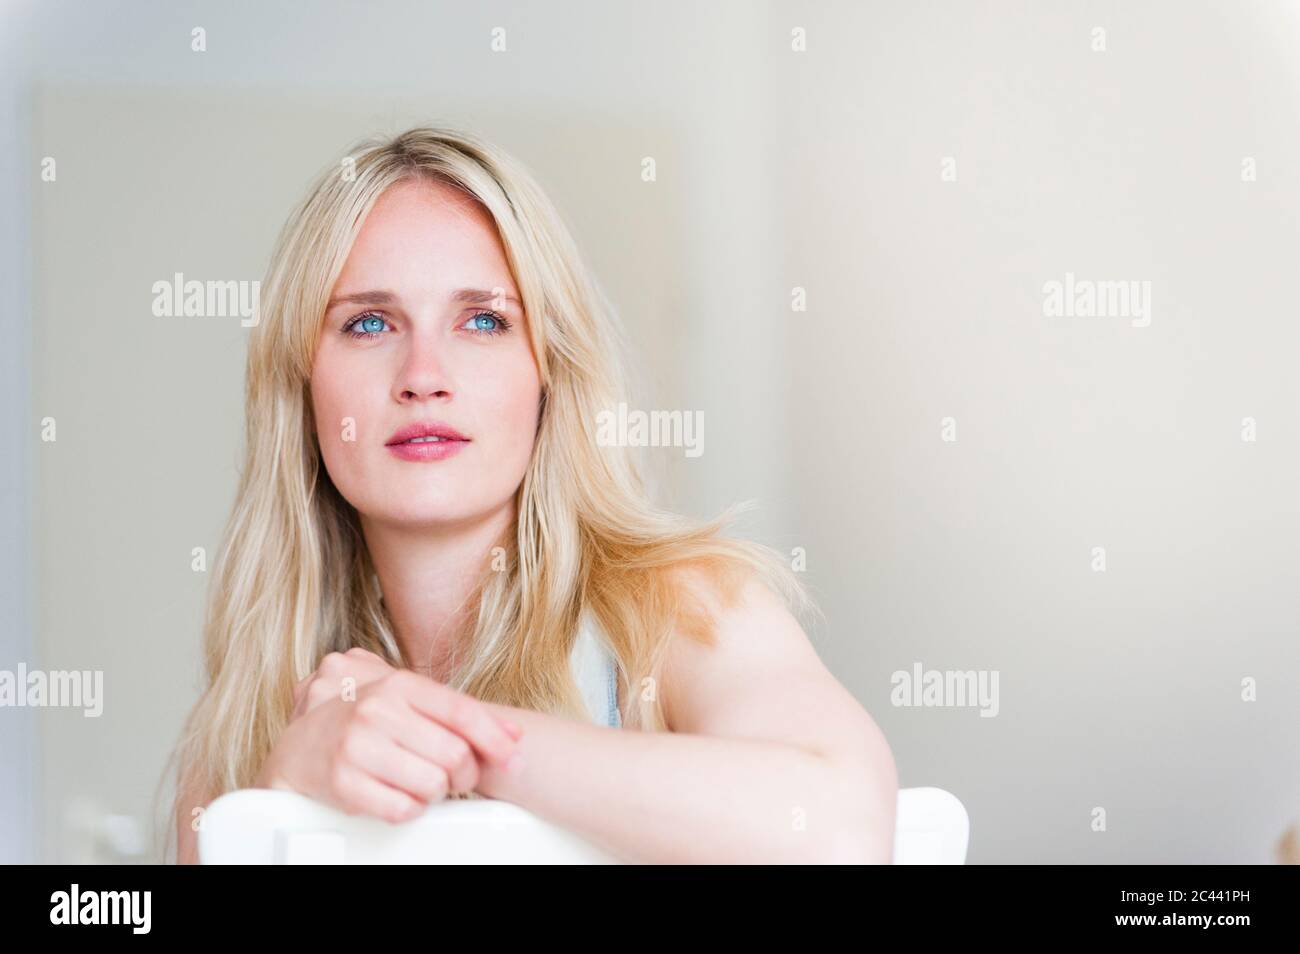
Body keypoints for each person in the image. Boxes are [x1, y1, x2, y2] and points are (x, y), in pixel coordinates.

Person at [167, 126, 897, 864]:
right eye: (369, 322)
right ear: (302, 385)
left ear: (549, 374)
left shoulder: (675, 607)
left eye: (483, 320)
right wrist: (280, 798)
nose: (424, 374)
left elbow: (840, 827)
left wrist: (445, 738)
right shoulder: (247, 720)